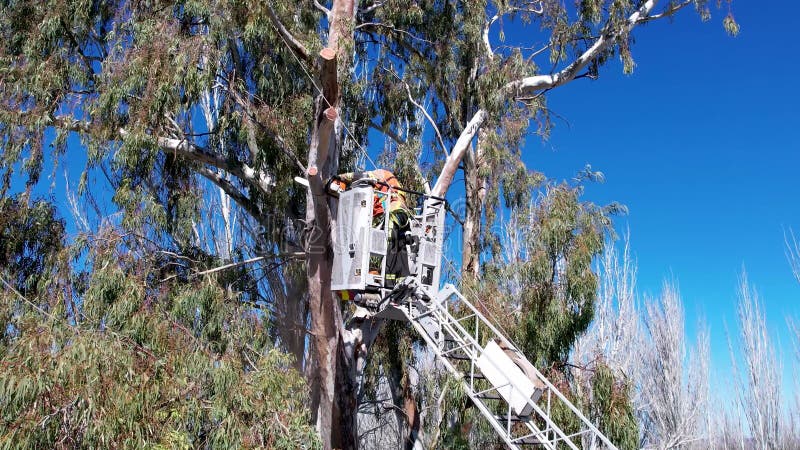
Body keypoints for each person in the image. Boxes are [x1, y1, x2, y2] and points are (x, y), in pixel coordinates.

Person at [328, 169, 413, 289]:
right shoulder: (377, 193)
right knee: (398, 247)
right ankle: (400, 278)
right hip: (397, 215)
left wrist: (341, 177)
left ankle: (388, 280)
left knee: (387, 242)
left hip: (394, 212)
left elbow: (362, 175)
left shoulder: (382, 174)